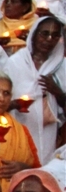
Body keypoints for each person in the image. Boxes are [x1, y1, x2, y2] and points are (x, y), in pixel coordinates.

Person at [5, 15, 65, 163]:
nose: (49, 39)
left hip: (48, 130)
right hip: (17, 124)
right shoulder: (15, 62)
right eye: (44, 33)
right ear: (34, 35)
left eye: (55, 35)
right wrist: (14, 104)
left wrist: (57, 92)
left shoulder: (62, 66)